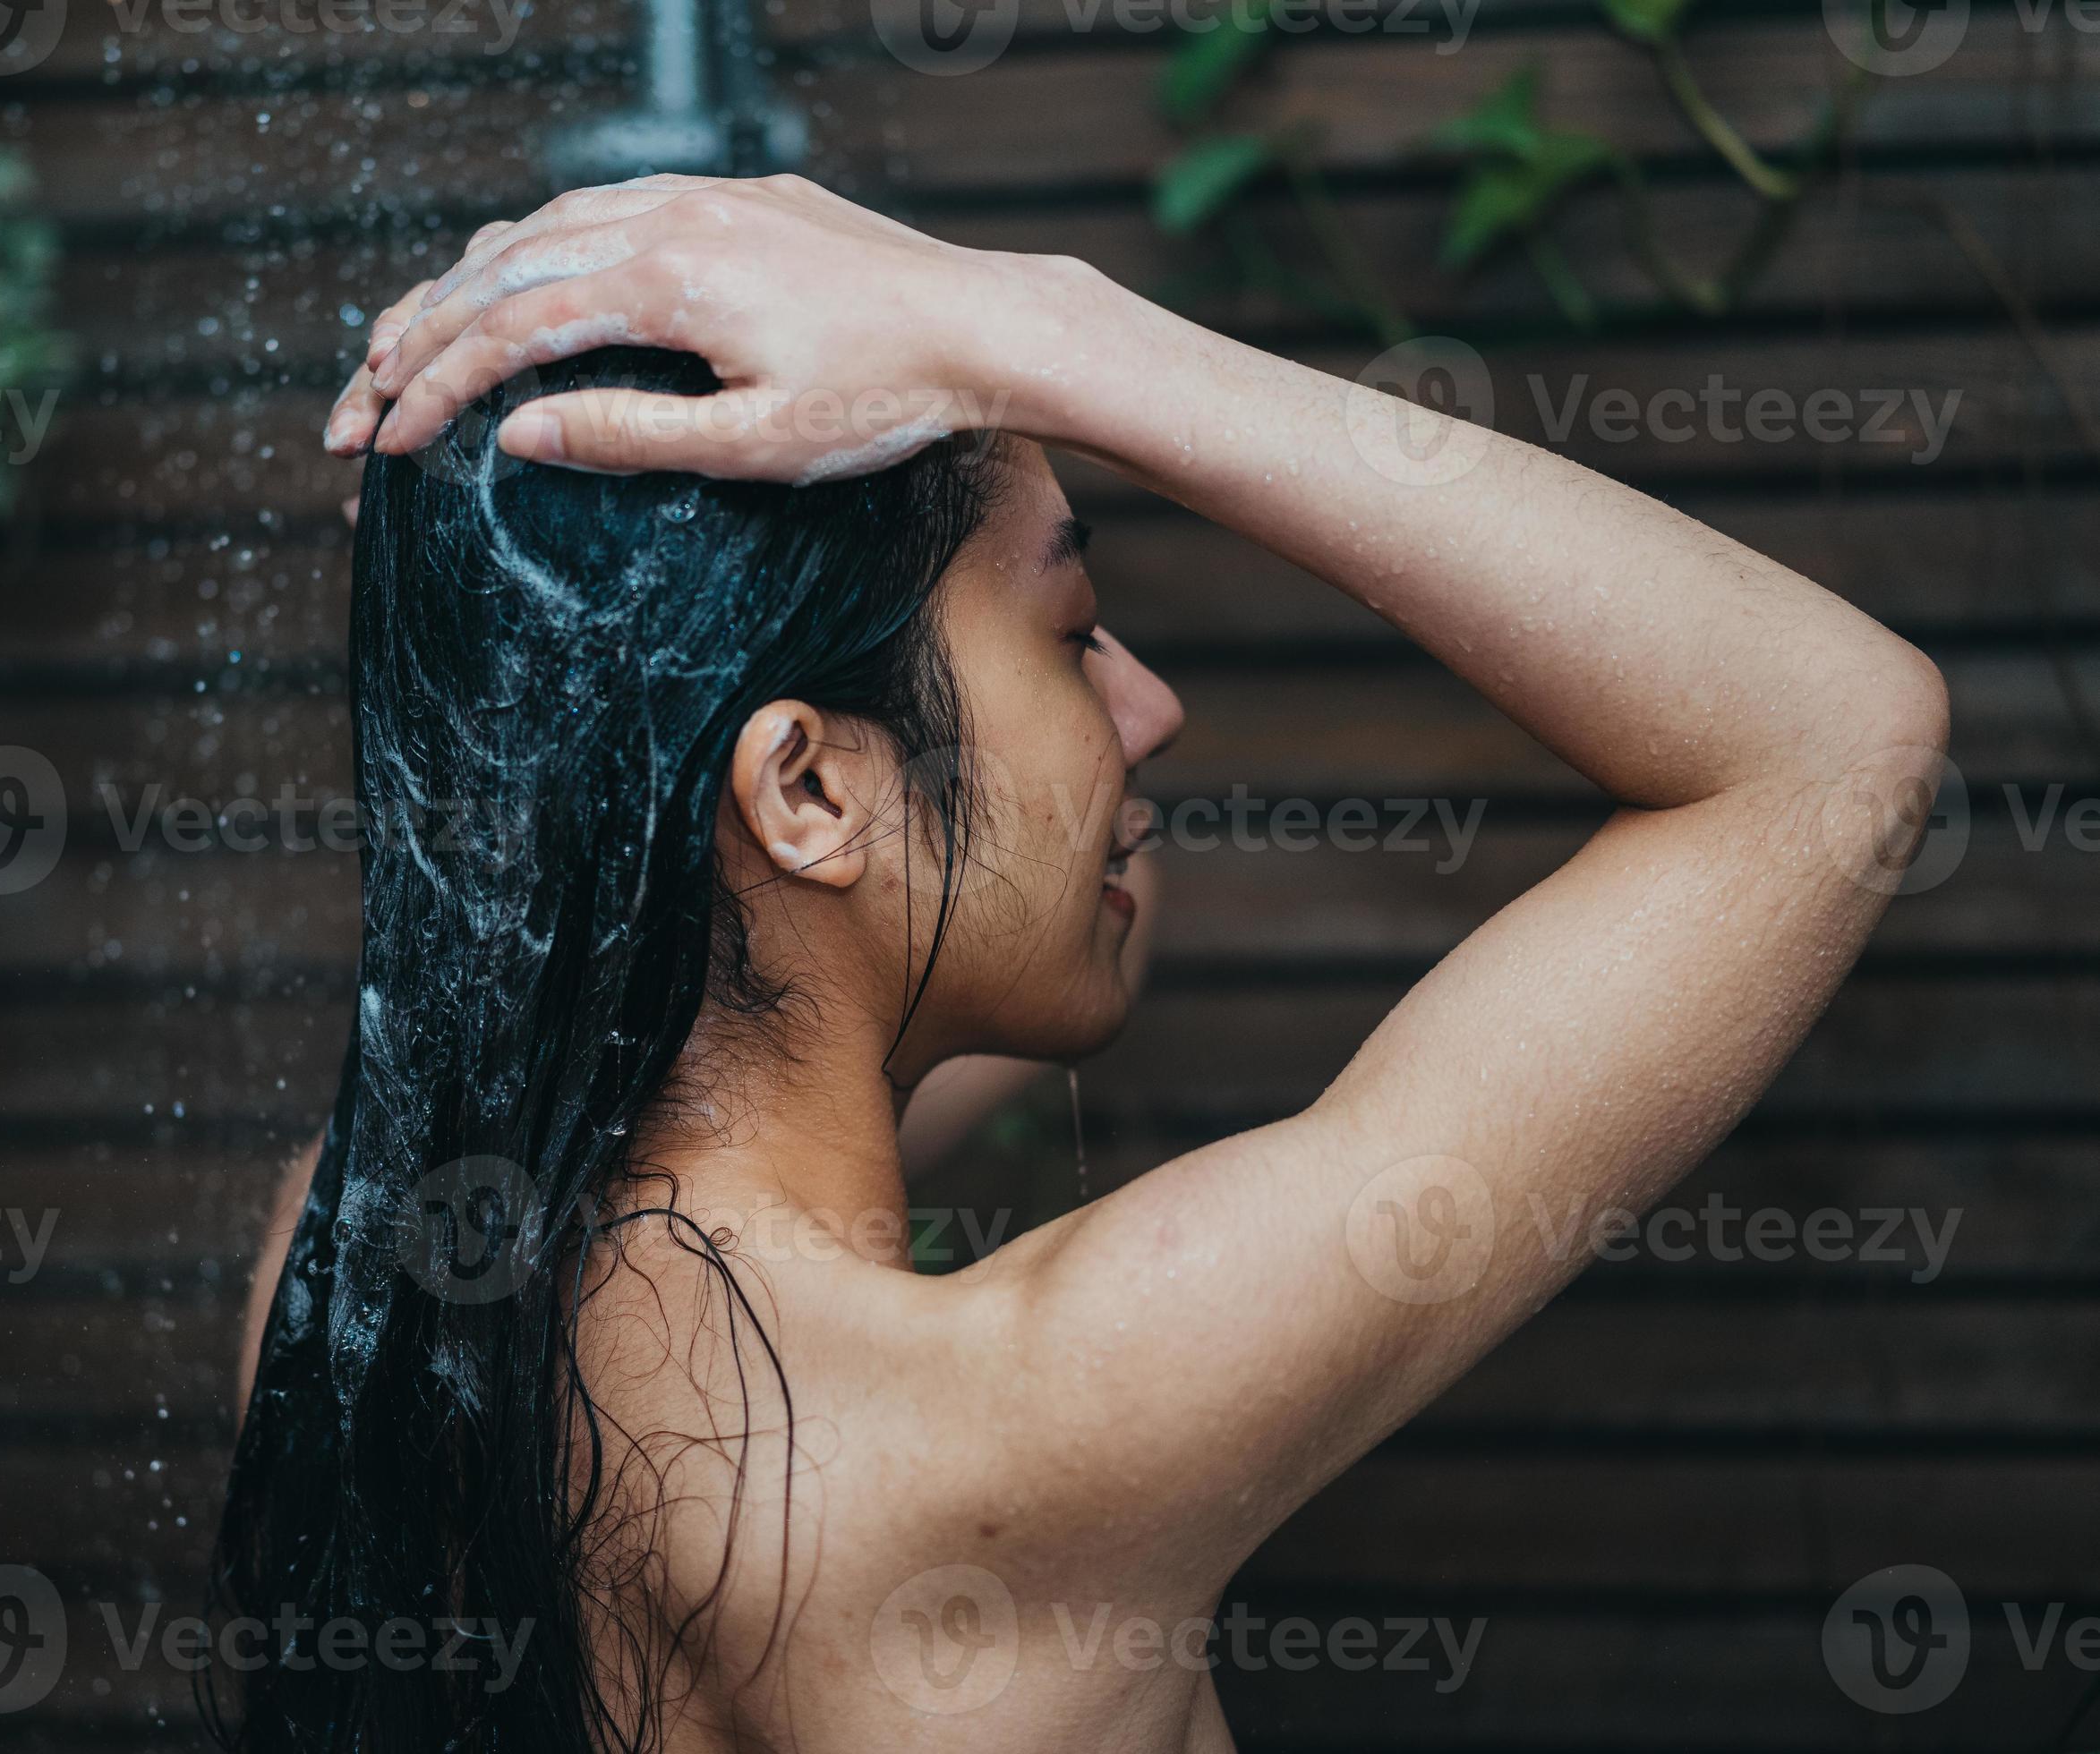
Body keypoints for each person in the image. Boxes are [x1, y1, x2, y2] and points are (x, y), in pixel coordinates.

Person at [213, 175, 1950, 1754]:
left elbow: (957, 920)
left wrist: (514, 605)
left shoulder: (362, 1257)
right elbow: (1829, 743)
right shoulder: (1030, 1419)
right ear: (809, 789)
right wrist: (1036, 324)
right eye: (1068, 631)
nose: (1151, 706)